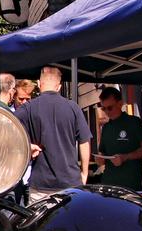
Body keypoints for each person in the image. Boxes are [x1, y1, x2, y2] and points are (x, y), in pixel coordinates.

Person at [13, 67, 91, 203]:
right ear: (59, 86)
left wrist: (26, 146)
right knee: (71, 223)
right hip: (70, 183)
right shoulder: (73, 108)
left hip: (40, 185)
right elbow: (85, 141)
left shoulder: (29, 107)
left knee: (42, 224)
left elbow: (6, 126)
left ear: (39, 83)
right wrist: (84, 173)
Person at [94, 86, 142, 191]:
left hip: (129, 186)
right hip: (108, 185)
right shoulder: (106, 127)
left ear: (120, 104)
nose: (106, 111)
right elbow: (103, 153)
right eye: (103, 108)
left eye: (110, 107)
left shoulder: (134, 122)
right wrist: (100, 159)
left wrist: (125, 157)